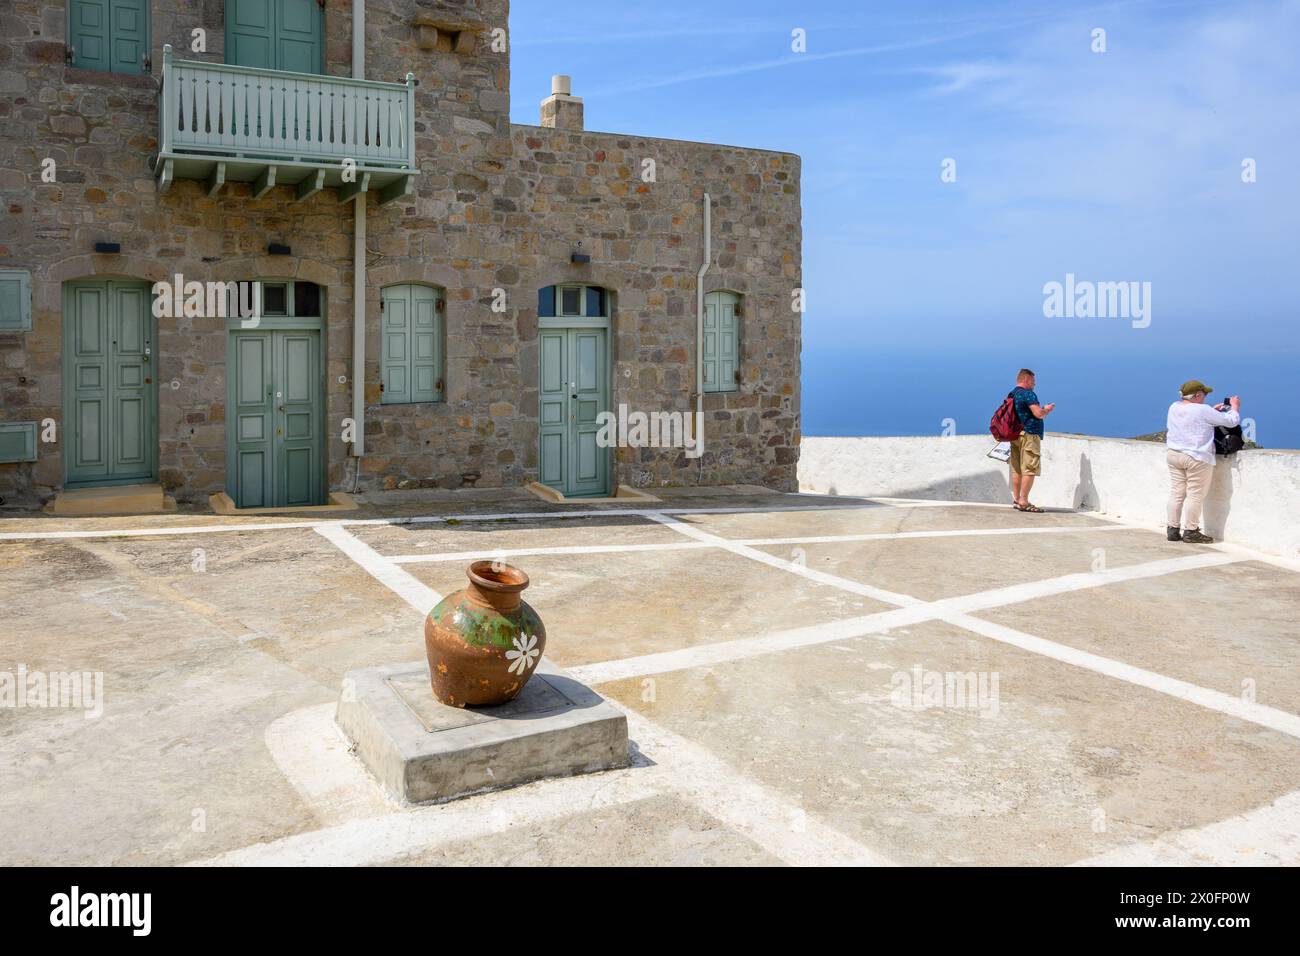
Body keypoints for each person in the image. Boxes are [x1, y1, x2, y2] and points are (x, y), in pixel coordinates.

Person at [1166, 380, 1240, 544]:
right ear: (1197, 395)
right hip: (1196, 457)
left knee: (1177, 493)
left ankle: (1172, 529)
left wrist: (1212, 412)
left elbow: (1193, 419)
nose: (1206, 397)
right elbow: (1231, 421)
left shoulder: (1174, 406)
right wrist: (1234, 407)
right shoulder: (1203, 410)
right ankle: (1191, 531)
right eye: (1204, 394)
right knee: (1195, 496)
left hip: (1173, 454)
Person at [1009, 368, 1055, 512]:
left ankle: (1017, 499)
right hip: (1029, 435)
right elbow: (1038, 414)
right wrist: (1046, 409)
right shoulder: (1028, 394)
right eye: (1033, 381)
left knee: (1016, 468)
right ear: (1027, 379)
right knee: (1029, 468)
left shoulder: (1013, 393)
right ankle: (1023, 501)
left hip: (1016, 435)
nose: (1034, 384)